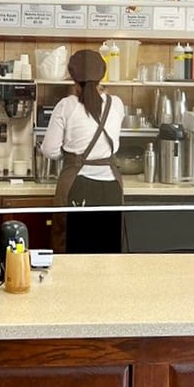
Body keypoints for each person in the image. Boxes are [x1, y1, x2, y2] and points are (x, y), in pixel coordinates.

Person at [41, 49, 125, 252]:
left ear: (73, 77)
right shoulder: (117, 104)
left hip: (77, 184)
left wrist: (72, 154)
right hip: (112, 186)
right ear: (102, 75)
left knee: (72, 249)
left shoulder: (66, 106)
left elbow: (50, 150)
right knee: (108, 251)